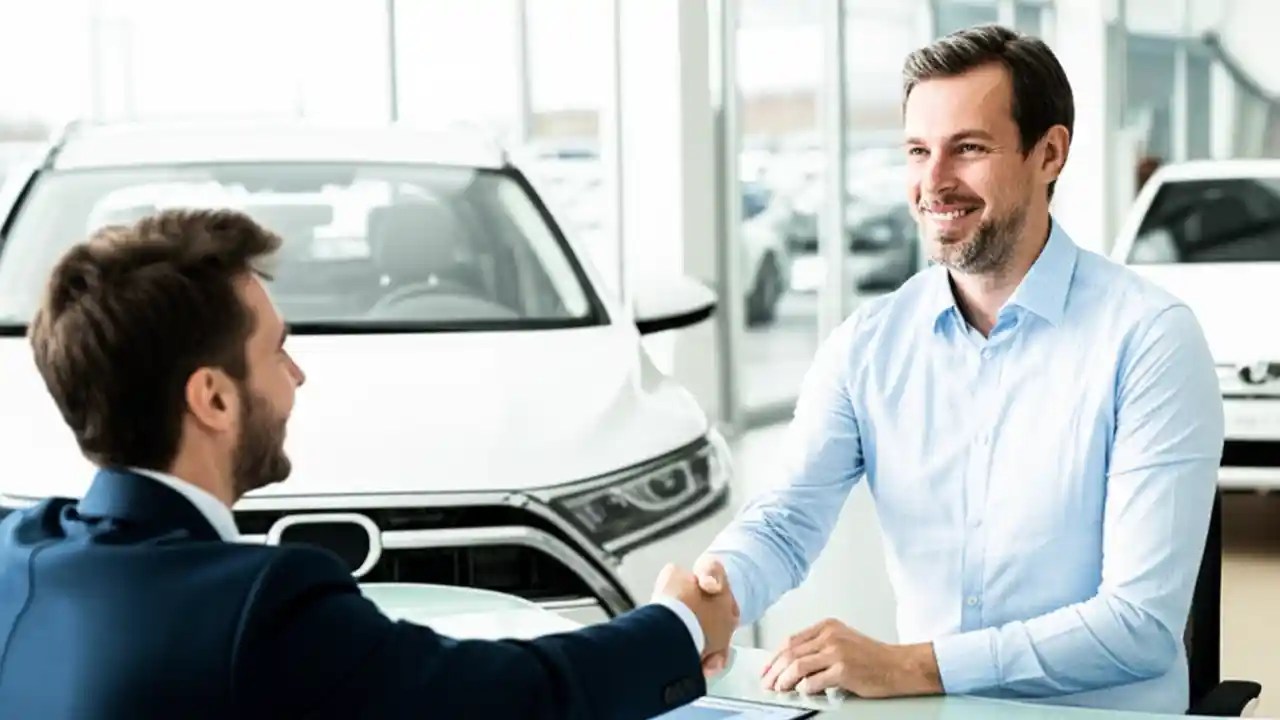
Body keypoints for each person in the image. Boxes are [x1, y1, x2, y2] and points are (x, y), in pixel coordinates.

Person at [0, 208, 738, 719]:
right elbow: (509, 700)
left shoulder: (16, 555)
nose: (296, 378)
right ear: (214, 399)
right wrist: (678, 626)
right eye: (276, 350)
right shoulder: (260, 606)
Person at [692, 24, 1223, 715]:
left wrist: (913, 664)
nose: (934, 182)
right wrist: (710, 598)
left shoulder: (1149, 341)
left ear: (1049, 154)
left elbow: (1139, 627)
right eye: (918, 151)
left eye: (967, 149)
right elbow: (787, 521)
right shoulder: (868, 345)